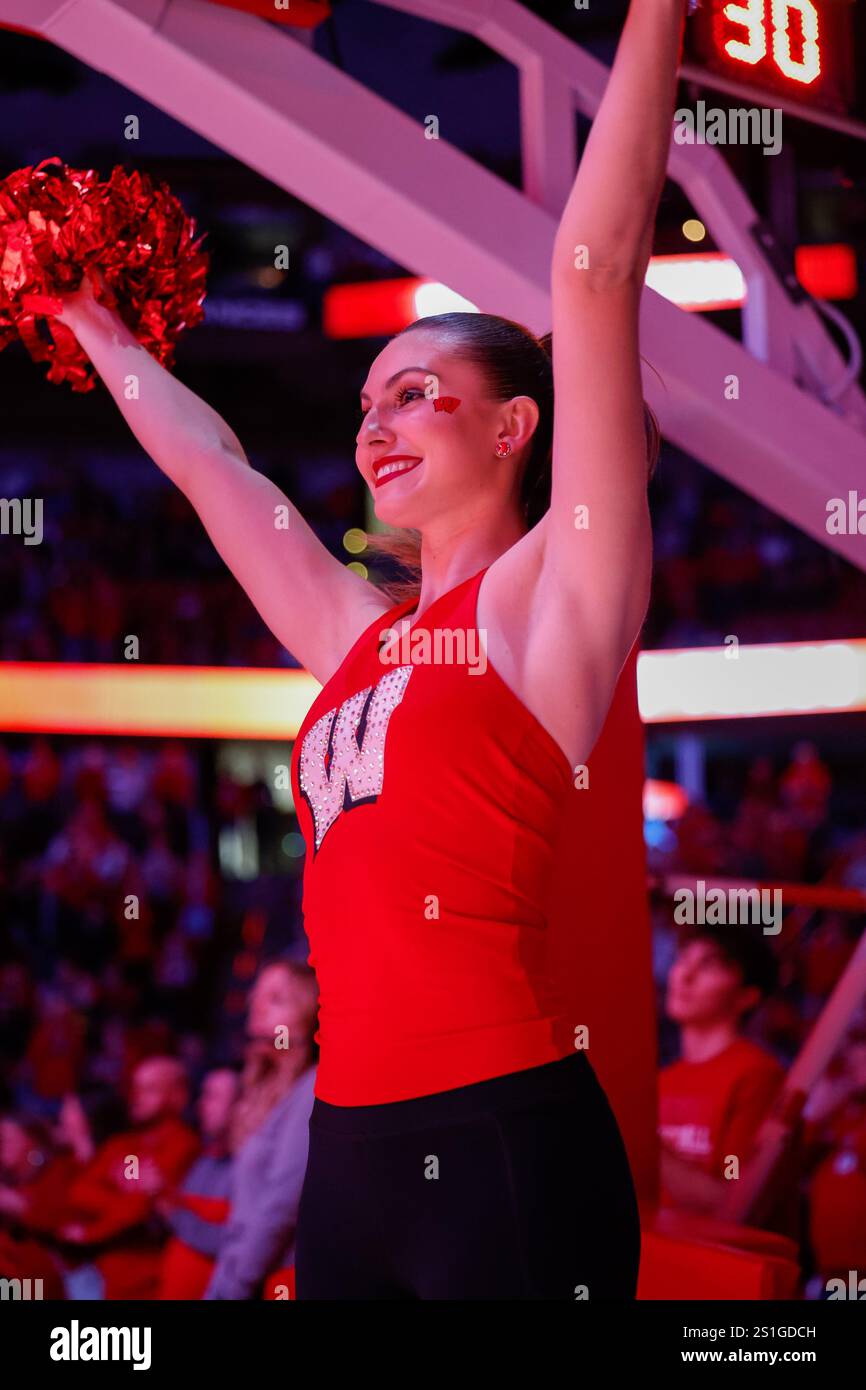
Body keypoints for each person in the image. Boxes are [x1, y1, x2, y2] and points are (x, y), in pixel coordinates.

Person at [54, 0, 686, 1299]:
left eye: (412, 391)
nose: (374, 425)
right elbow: (209, 465)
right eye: (363, 402)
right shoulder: (360, 635)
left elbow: (596, 266)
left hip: (504, 1129)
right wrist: (88, 321)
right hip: (349, 1144)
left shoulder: (550, 592)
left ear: (516, 427)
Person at [204, 961, 318, 1301]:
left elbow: (281, 1206)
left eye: (276, 999)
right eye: (257, 995)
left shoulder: (310, 1089)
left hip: (269, 1285)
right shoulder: (269, 1091)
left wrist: (233, 1287)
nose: (257, 1005)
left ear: (308, 1013)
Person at [658, 929, 784, 1218]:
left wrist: (641, 1143)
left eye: (708, 965)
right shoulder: (662, 1079)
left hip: (713, 1256)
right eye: (682, 959)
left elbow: (733, 1204)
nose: (684, 975)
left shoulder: (757, 1075)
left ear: (746, 996)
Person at [61, 1055, 199, 1298]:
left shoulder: (183, 1144)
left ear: (178, 1096)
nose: (136, 1097)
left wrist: (89, 1233)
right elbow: (79, 1192)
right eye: (134, 1088)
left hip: (151, 1281)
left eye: (149, 1089)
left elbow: (141, 1209)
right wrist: (129, 1199)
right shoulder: (122, 1143)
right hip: (108, 1279)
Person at [157, 1067, 239, 1300]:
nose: (202, 1104)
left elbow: (228, 1241)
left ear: (241, 1104)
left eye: (212, 1096)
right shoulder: (203, 1158)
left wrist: (173, 1212)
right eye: (203, 1095)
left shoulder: (245, 1170)